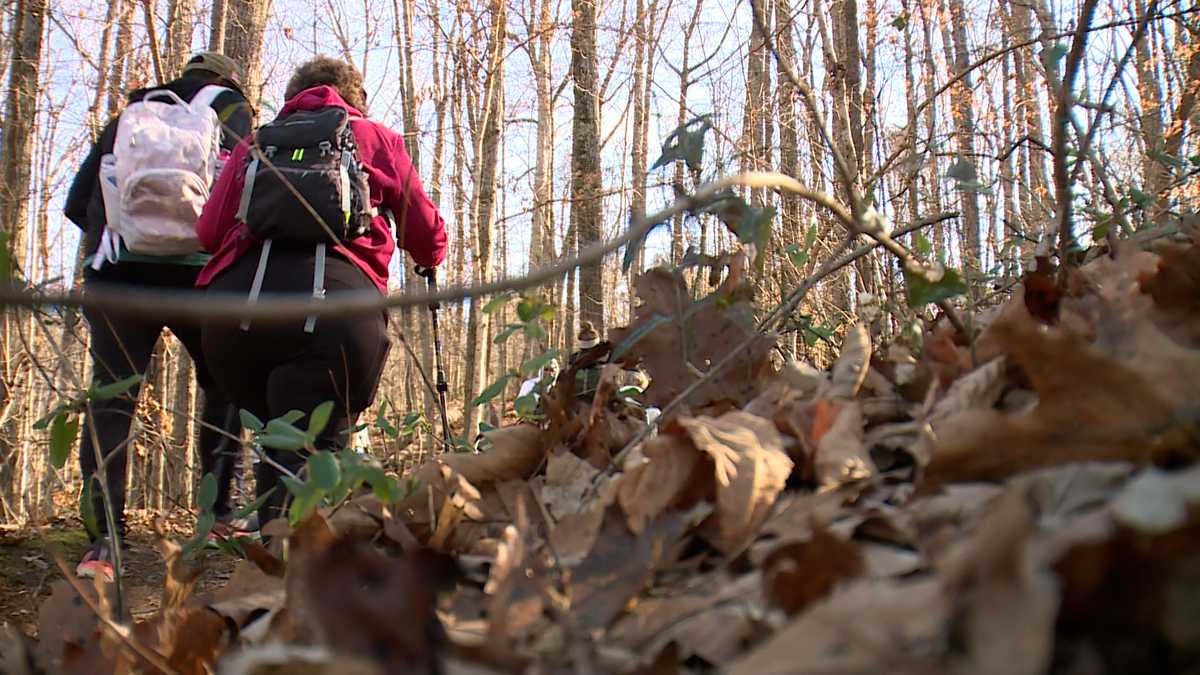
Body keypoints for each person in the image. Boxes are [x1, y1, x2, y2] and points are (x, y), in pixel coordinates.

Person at [194, 56, 448, 531]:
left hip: (236, 321)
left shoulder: (258, 142)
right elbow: (428, 234)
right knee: (316, 443)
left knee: (280, 436)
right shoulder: (375, 138)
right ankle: (297, 565)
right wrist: (428, 254)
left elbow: (209, 232)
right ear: (355, 97)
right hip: (336, 316)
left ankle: (275, 546)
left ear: (293, 96)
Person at [64, 52, 255, 580]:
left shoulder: (132, 115)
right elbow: (251, 197)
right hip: (203, 278)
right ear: (224, 79)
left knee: (113, 397)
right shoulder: (232, 112)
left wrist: (126, 237)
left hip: (120, 277)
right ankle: (216, 515)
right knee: (224, 384)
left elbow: (77, 201)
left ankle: (104, 542)